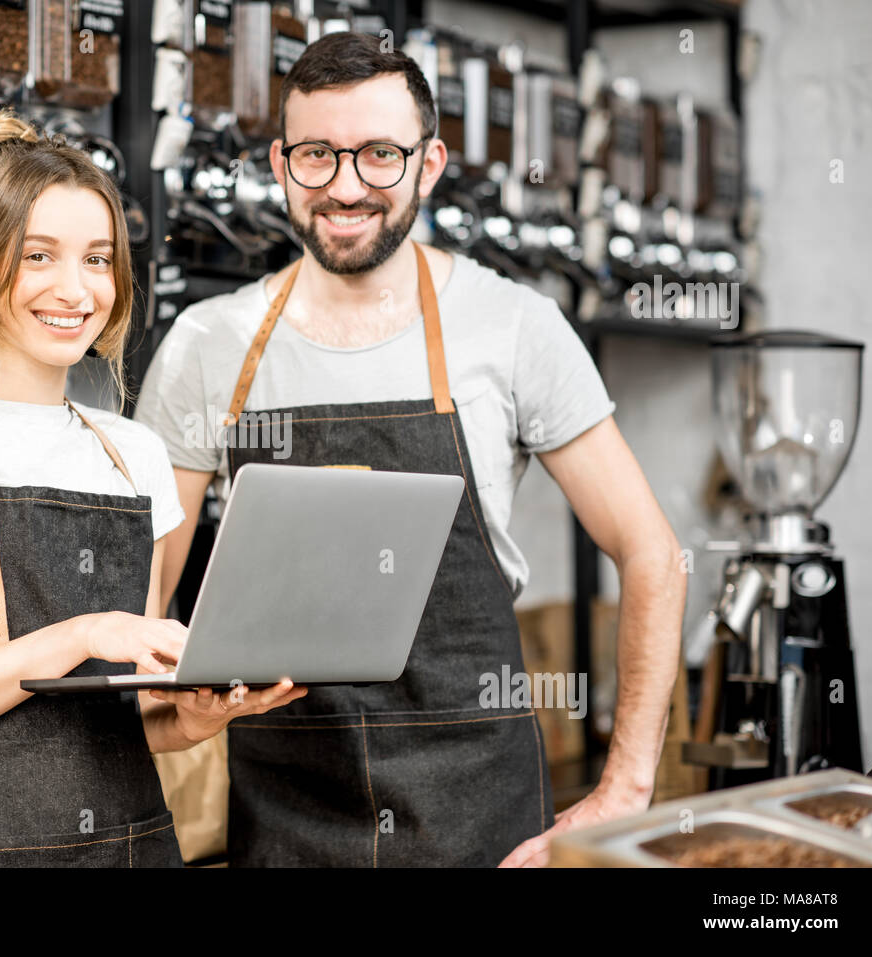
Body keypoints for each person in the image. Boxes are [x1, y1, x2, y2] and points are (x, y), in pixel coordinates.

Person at [135, 33, 687, 867]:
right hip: (284, 817)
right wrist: (177, 718)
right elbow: (141, 608)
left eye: (380, 156)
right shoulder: (207, 345)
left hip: (482, 823)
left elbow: (652, 552)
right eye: (319, 155)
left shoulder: (513, 327)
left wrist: (624, 791)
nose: (347, 186)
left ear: (429, 166)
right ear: (282, 166)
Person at [0, 111, 306, 868]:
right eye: (38, 256)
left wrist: (194, 715)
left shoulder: (136, 455)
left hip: (139, 845)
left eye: (97, 259)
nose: (75, 289)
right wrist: (81, 634)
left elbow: (125, 715)